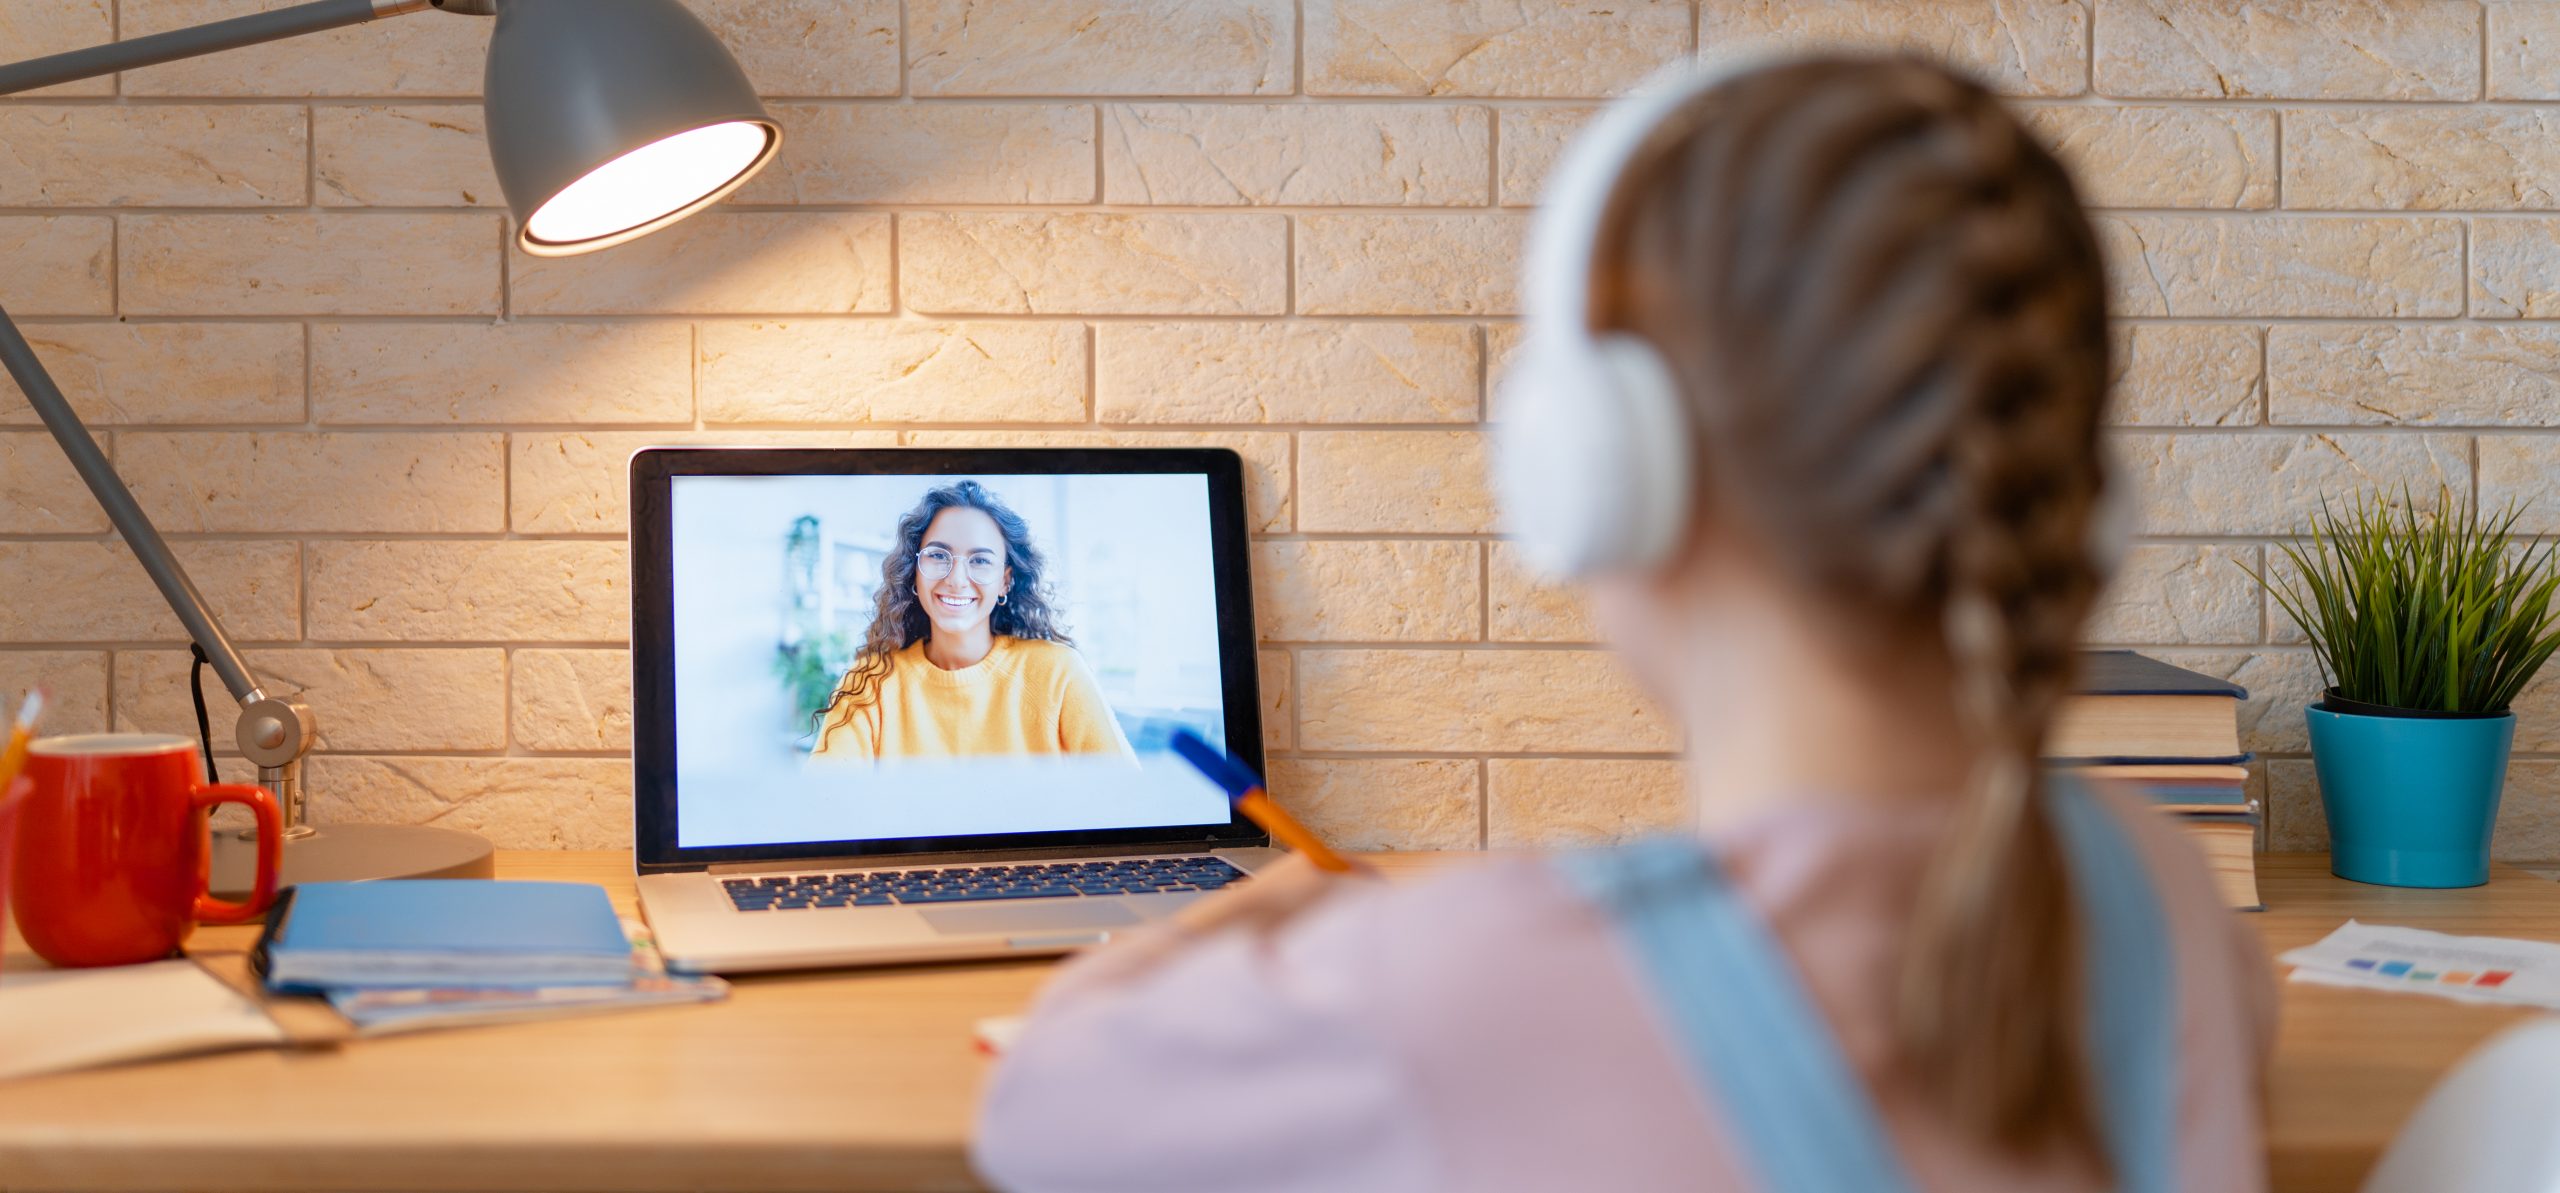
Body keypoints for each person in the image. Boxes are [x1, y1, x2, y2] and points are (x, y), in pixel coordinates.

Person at [973, 56, 2272, 1192]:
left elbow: (1039, 1110)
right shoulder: (2152, 889)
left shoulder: (1469, 984)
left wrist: (1261, 918)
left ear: (1599, 468)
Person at [811, 480, 1132, 761]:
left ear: (1006, 580)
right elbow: (824, 808)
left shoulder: (1058, 673)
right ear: (914, 571)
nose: (957, 579)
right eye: (938, 555)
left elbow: (1127, 806)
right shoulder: (870, 681)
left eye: (980, 560)